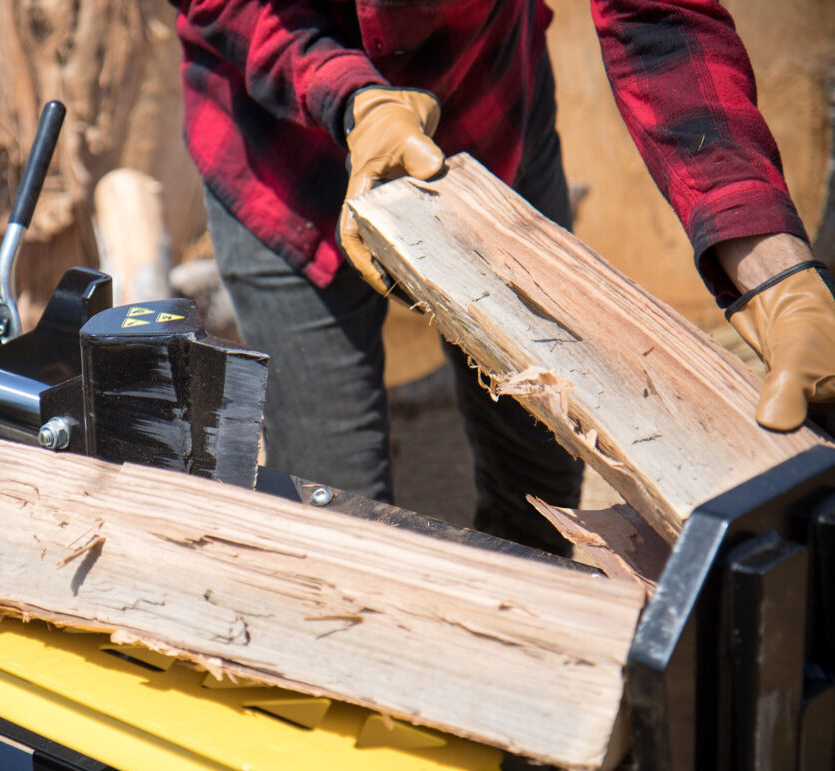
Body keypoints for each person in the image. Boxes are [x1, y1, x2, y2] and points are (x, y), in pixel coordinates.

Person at [170, 0, 835, 552]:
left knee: (543, 478)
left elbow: (657, 18)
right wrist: (354, 99)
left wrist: (777, 271)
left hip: (487, 105)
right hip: (283, 149)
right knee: (341, 527)